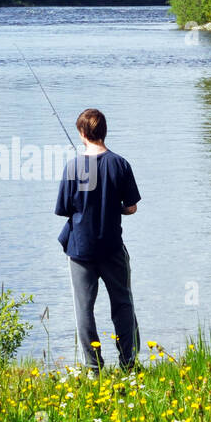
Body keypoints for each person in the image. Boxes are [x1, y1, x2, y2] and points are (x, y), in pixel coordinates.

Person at [54, 108, 140, 371]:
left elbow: (64, 209)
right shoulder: (120, 164)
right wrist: (117, 208)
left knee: (84, 309)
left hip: (81, 250)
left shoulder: (73, 167)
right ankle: (129, 363)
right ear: (104, 131)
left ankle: (93, 367)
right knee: (123, 304)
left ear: (82, 133)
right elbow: (132, 207)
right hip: (113, 247)